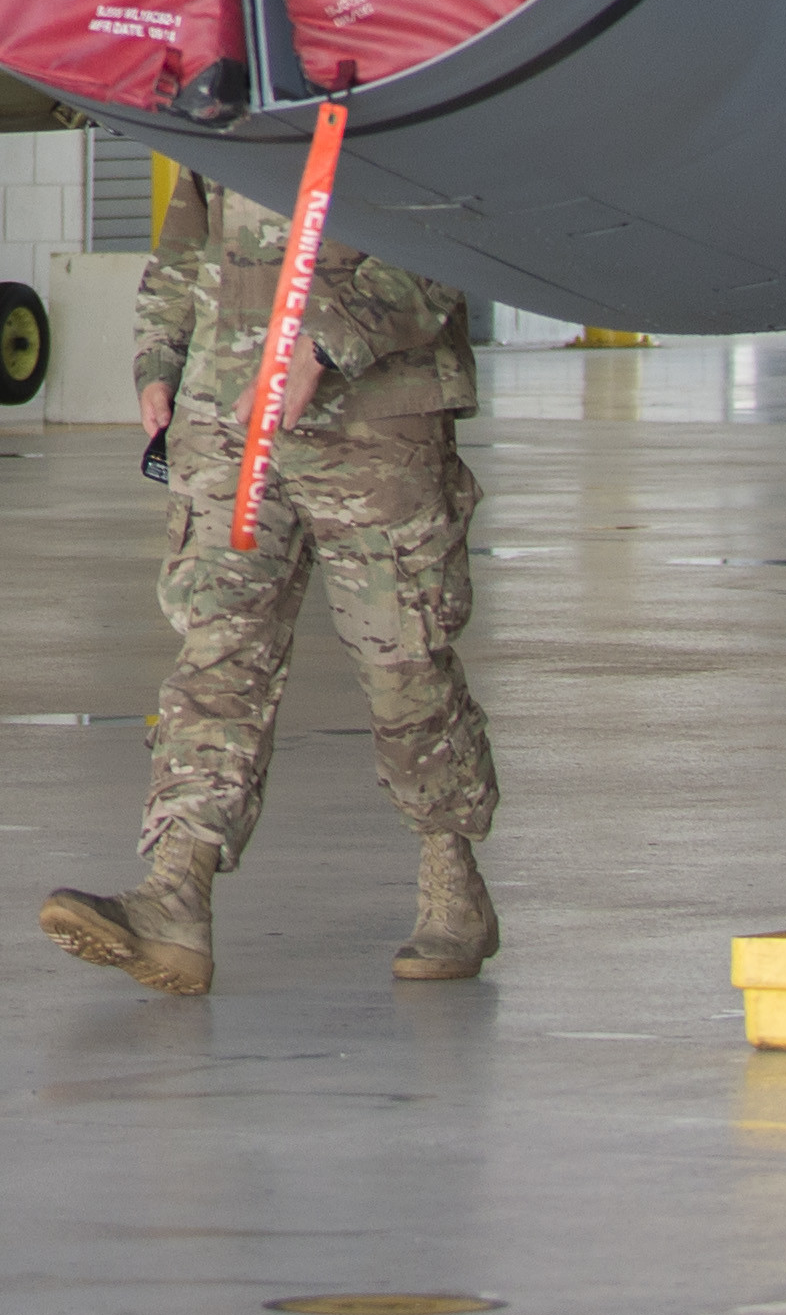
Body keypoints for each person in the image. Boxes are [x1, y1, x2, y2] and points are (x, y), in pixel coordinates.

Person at [39, 157, 495, 996]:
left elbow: (457, 234)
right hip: (227, 410)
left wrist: (328, 342)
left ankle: (450, 876)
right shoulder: (240, 83)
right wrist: (160, 356)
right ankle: (176, 890)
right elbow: (187, 242)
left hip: (376, 416)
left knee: (405, 669)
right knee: (219, 650)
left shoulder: (414, 61)